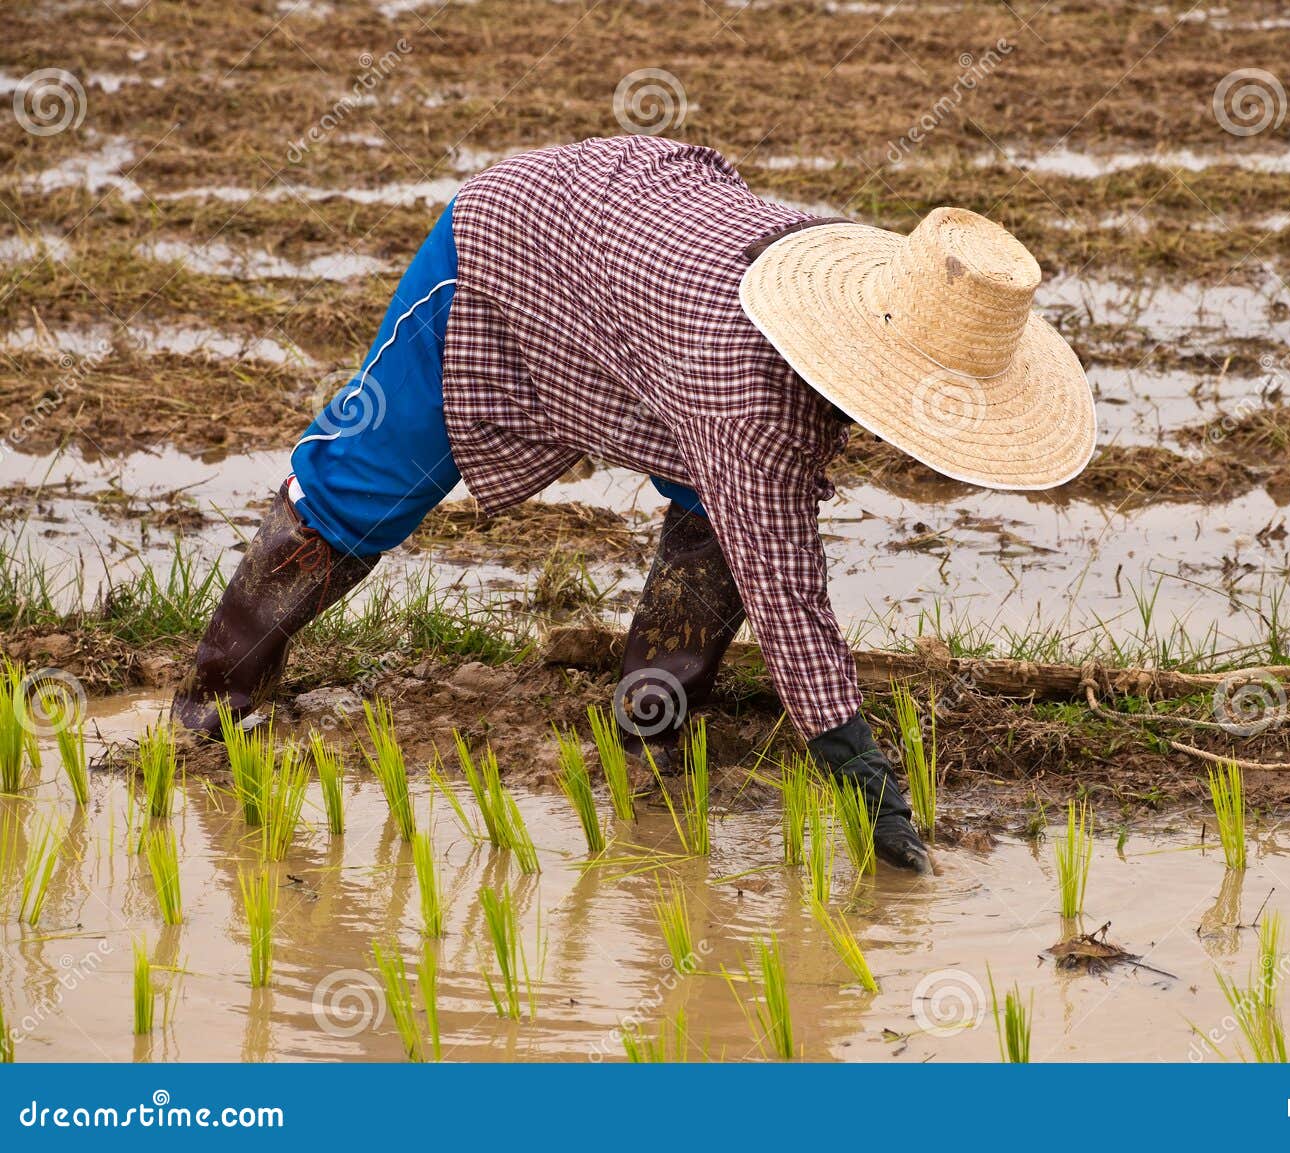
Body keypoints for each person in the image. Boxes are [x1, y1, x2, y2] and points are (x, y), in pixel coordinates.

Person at [171, 135, 1096, 874]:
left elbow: (759, 515)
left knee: (724, 511)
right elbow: (789, 590)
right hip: (510, 246)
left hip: (643, 263)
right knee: (364, 486)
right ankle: (210, 707)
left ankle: (647, 733)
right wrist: (857, 765)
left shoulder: (874, 293)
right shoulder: (750, 399)